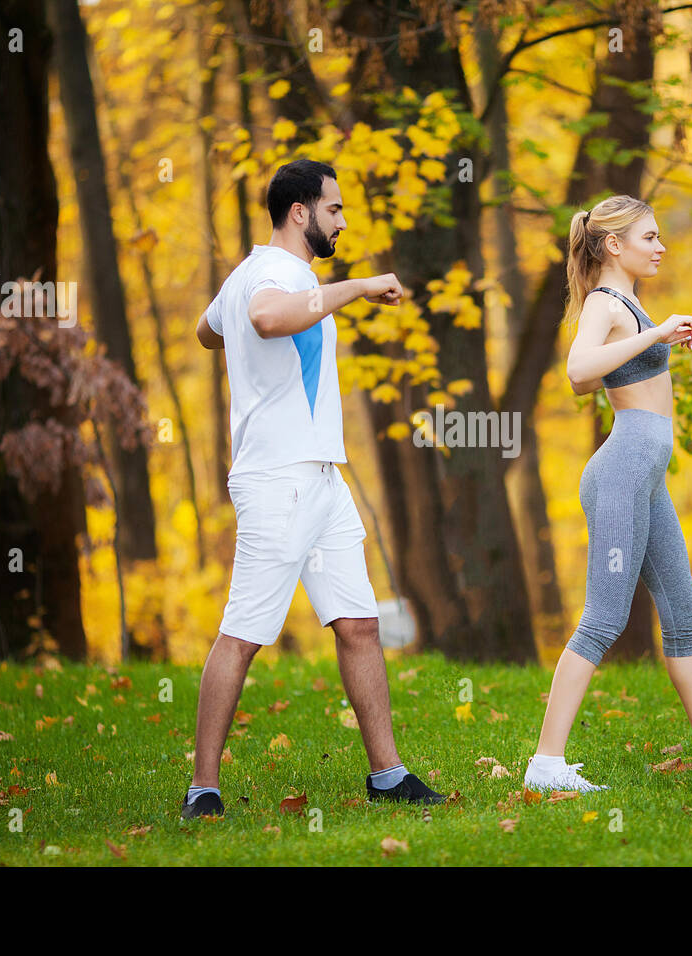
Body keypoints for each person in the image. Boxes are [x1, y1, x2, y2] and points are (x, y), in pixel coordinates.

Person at [182, 158, 444, 818]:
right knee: (242, 633)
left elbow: (208, 332)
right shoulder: (275, 276)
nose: (343, 221)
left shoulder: (249, 272)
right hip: (279, 479)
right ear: (300, 213)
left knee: (357, 623)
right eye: (335, 210)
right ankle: (203, 790)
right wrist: (356, 287)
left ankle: (388, 775)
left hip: (321, 476)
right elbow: (267, 321)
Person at [523, 195, 692, 793]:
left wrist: (663, 333)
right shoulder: (603, 303)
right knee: (605, 617)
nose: (660, 246)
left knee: (684, 615)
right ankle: (547, 764)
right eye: (649, 237)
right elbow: (578, 372)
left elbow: (626, 365)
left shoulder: (630, 304)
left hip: (644, 474)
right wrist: (657, 334)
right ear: (614, 245)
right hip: (622, 474)